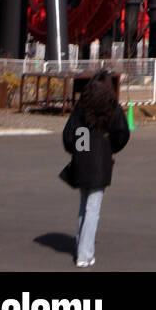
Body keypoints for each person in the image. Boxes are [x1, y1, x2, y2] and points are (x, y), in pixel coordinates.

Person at [62, 71, 129, 267]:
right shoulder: (111, 106)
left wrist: (78, 149)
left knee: (84, 206)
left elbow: (69, 135)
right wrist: (111, 147)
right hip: (101, 161)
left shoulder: (82, 106)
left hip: (82, 160)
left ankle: (81, 246)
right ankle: (85, 254)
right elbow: (122, 133)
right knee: (93, 208)